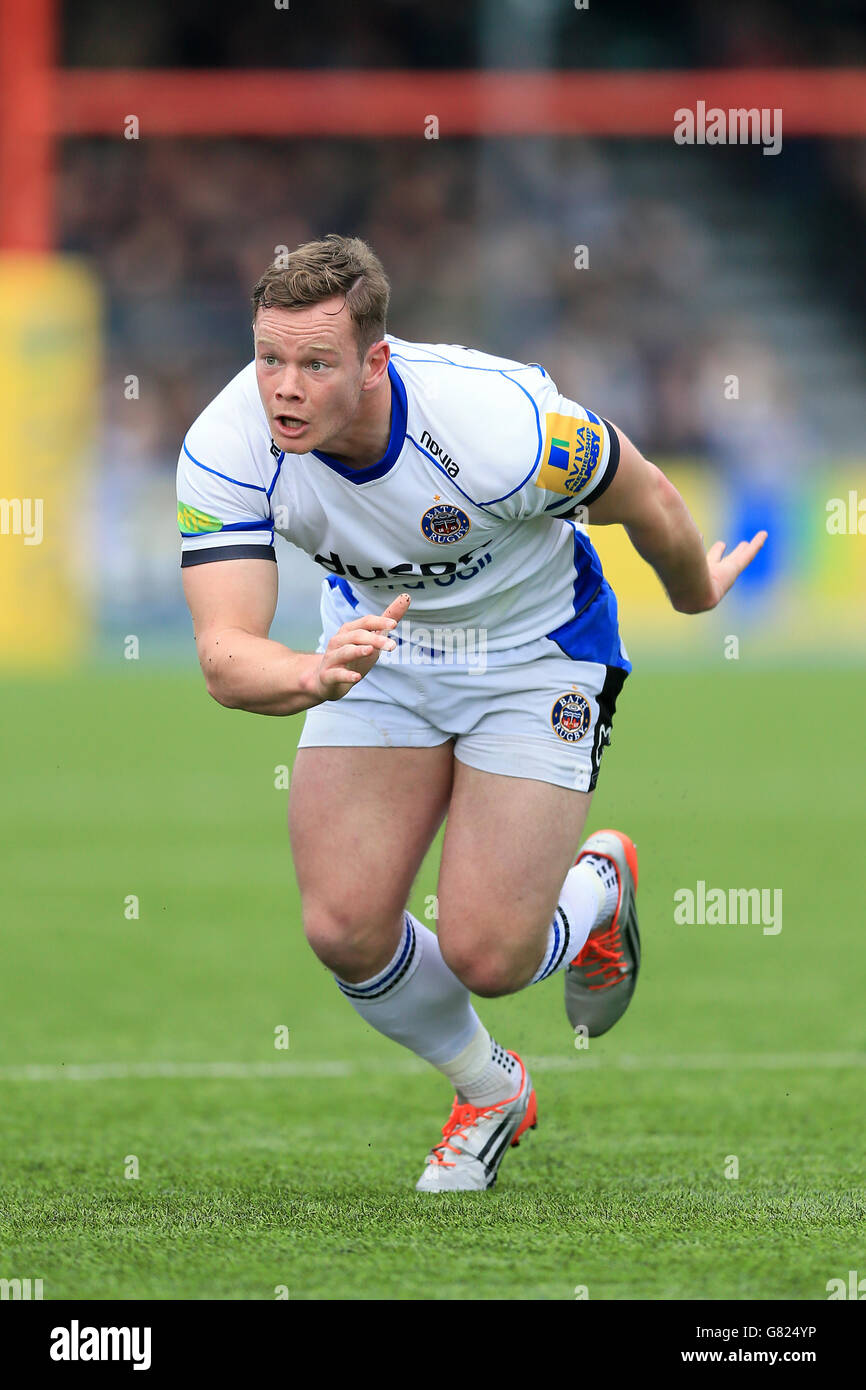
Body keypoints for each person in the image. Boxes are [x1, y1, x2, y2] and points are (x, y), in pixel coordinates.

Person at [177, 235, 765, 1191]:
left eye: (315, 364)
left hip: (536, 656)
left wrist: (695, 592)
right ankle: (489, 1090)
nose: (282, 388)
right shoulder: (226, 445)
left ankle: (598, 891)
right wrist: (312, 674)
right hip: (378, 654)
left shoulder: (499, 424)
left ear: (376, 362)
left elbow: (644, 492)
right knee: (344, 926)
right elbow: (222, 654)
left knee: (489, 953)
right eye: (268, 357)